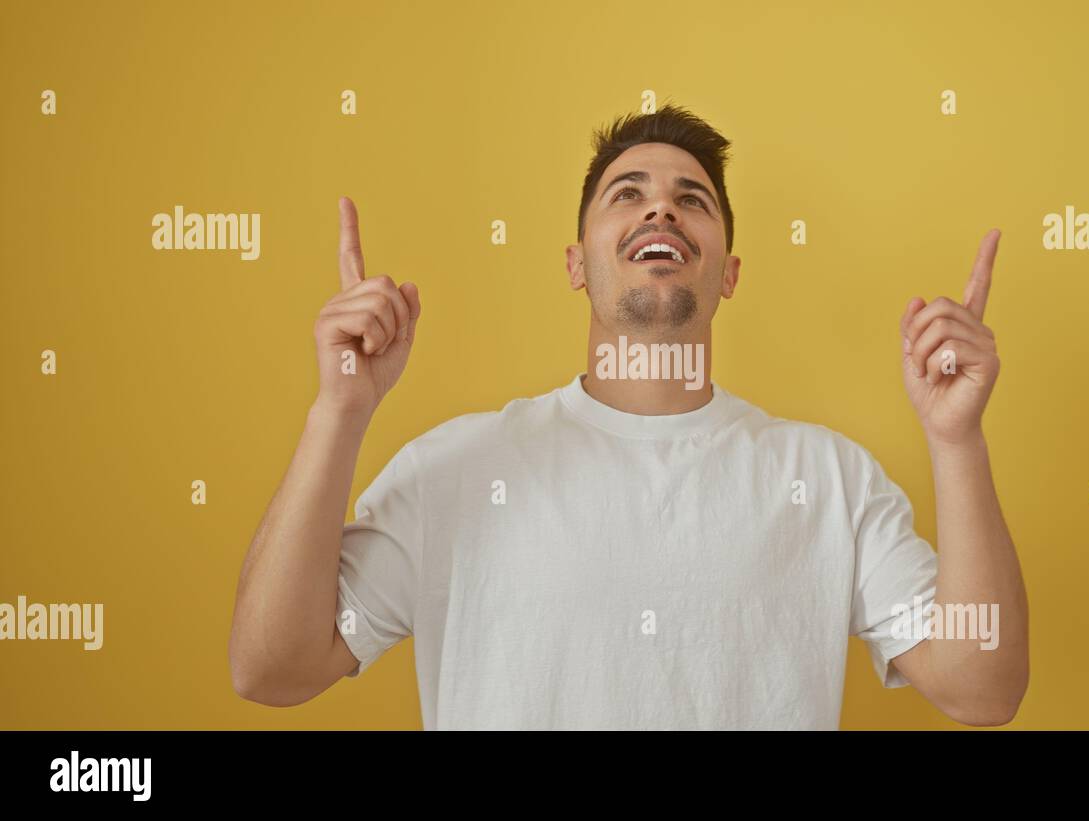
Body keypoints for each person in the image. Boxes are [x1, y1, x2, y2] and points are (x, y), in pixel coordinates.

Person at [228, 104, 1028, 729]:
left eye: (692, 200)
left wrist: (956, 441)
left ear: (729, 273)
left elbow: (983, 686)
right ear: (577, 263)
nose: (662, 212)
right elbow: (270, 668)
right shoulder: (457, 471)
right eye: (628, 195)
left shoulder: (829, 481)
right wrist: (339, 414)